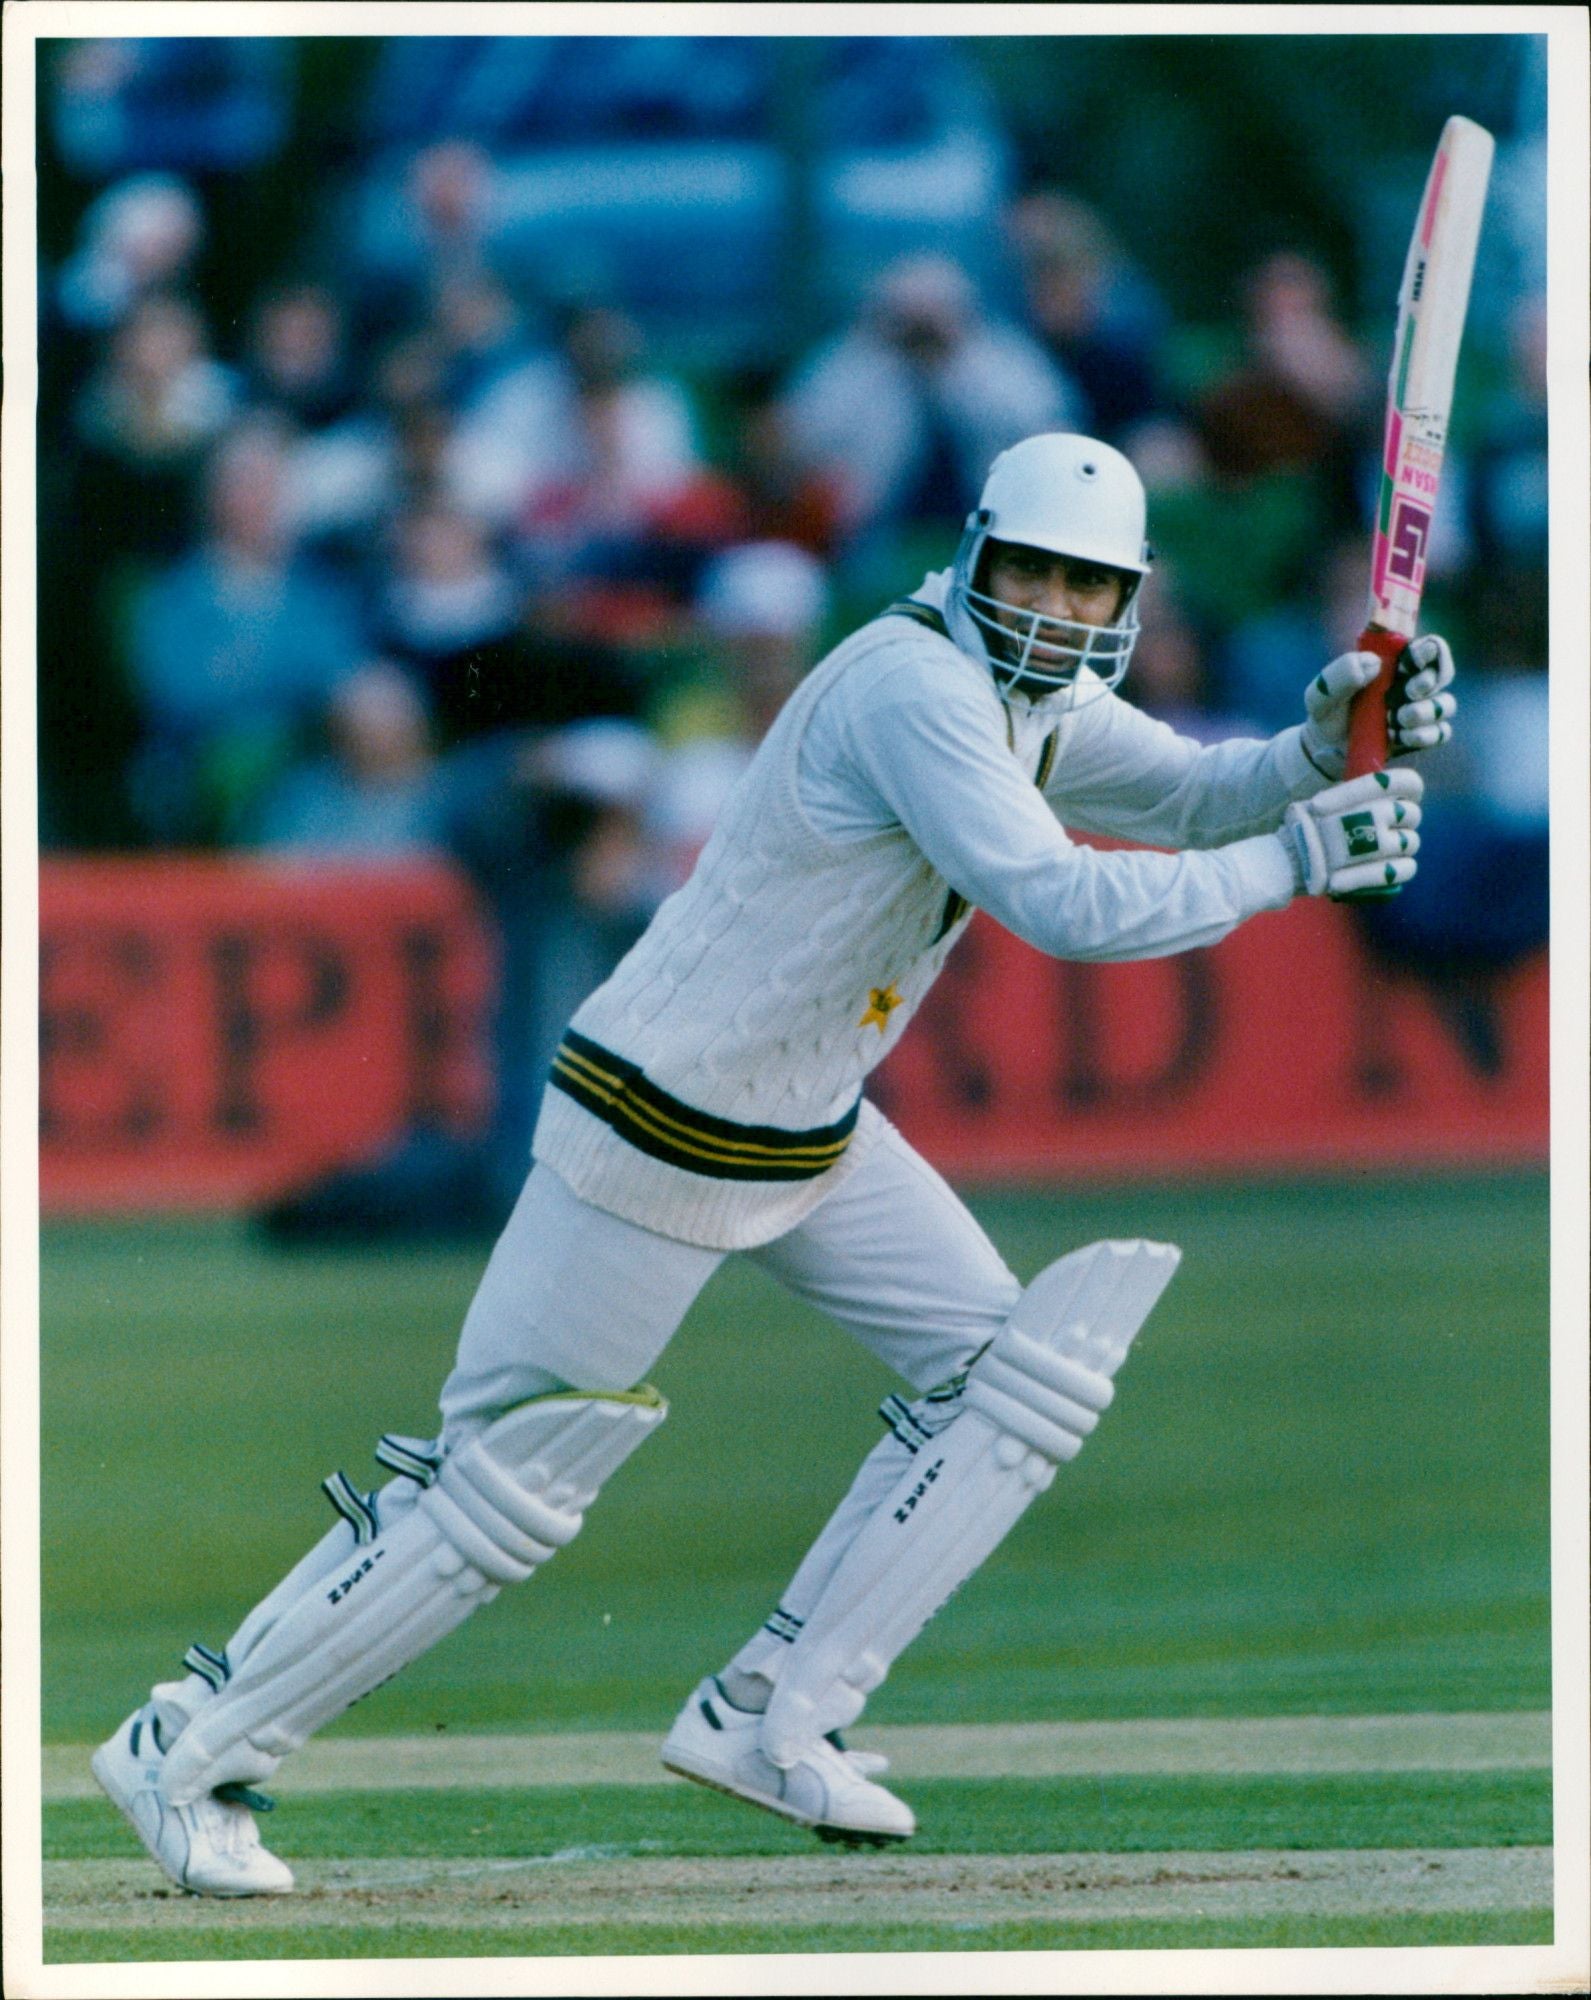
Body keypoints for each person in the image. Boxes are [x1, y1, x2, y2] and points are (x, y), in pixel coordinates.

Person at [91, 433, 1457, 1895]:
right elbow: (1056, 897)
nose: (1055, 607)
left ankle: (773, 1716)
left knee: (1018, 1371)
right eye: (1032, 572)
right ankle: (182, 1745)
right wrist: (1302, 860)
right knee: (505, 1484)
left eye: (1088, 584)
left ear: (1124, 598)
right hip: (663, 1119)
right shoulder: (913, 687)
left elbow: (1192, 796)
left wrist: (1323, 747)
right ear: (973, 559)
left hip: (806, 1122)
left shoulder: (1036, 700)